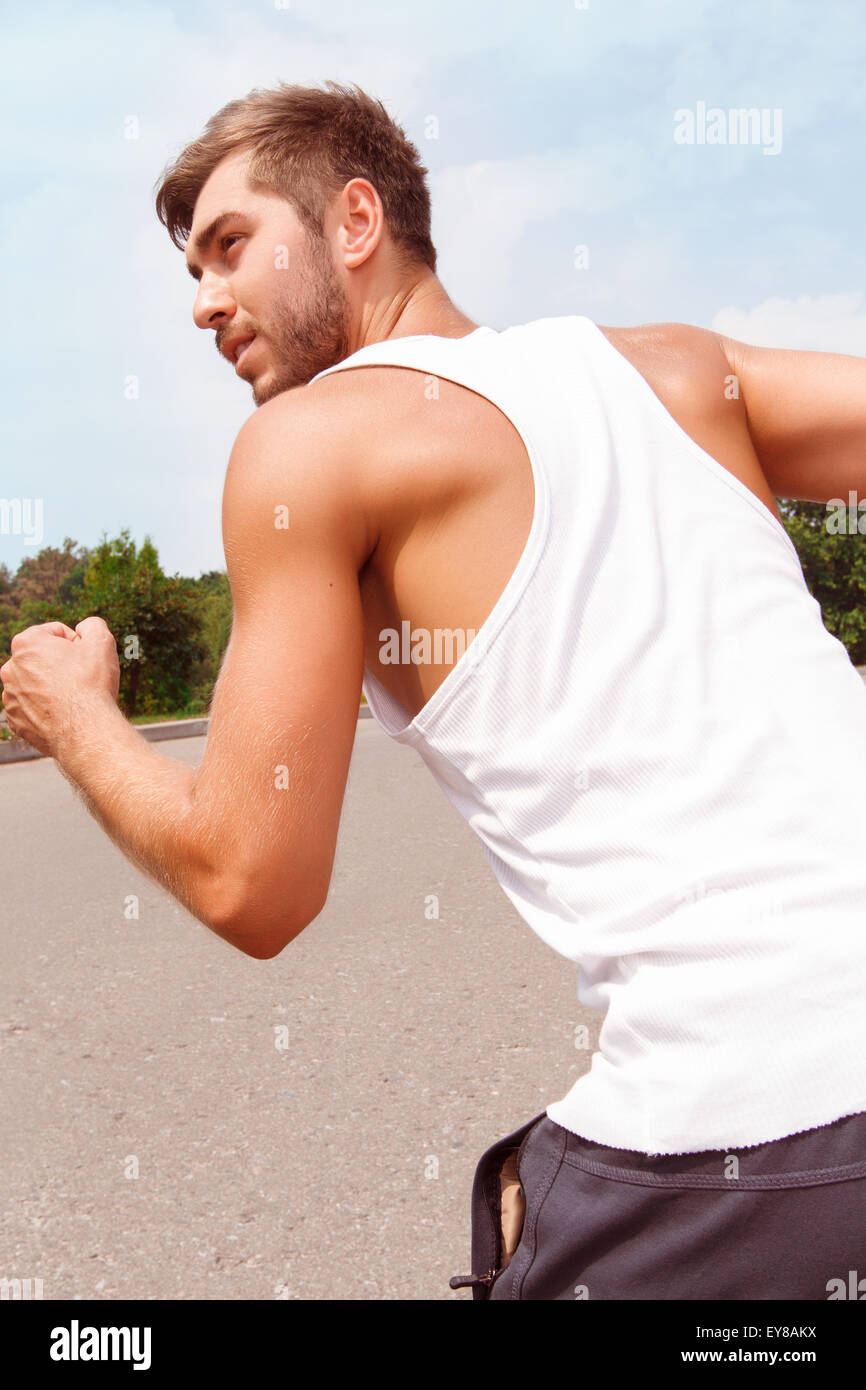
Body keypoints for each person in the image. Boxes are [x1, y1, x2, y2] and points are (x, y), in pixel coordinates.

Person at [3, 79, 866, 1301]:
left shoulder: (310, 445)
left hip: (750, 1136)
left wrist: (77, 716)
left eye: (230, 247)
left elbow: (251, 881)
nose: (203, 303)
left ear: (355, 220)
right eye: (190, 273)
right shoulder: (684, 369)